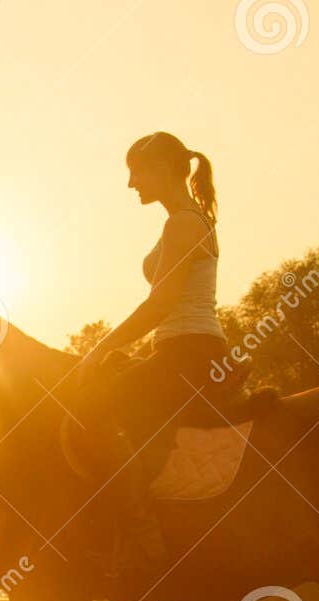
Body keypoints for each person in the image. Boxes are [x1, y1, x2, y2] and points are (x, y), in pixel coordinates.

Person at [71, 132, 229, 573]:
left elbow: (160, 304)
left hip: (189, 351)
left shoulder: (182, 222)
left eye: (136, 172)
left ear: (161, 169)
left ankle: (143, 542)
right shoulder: (187, 219)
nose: (130, 184)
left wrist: (101, 346)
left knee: (89, 409)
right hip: (183, 348)